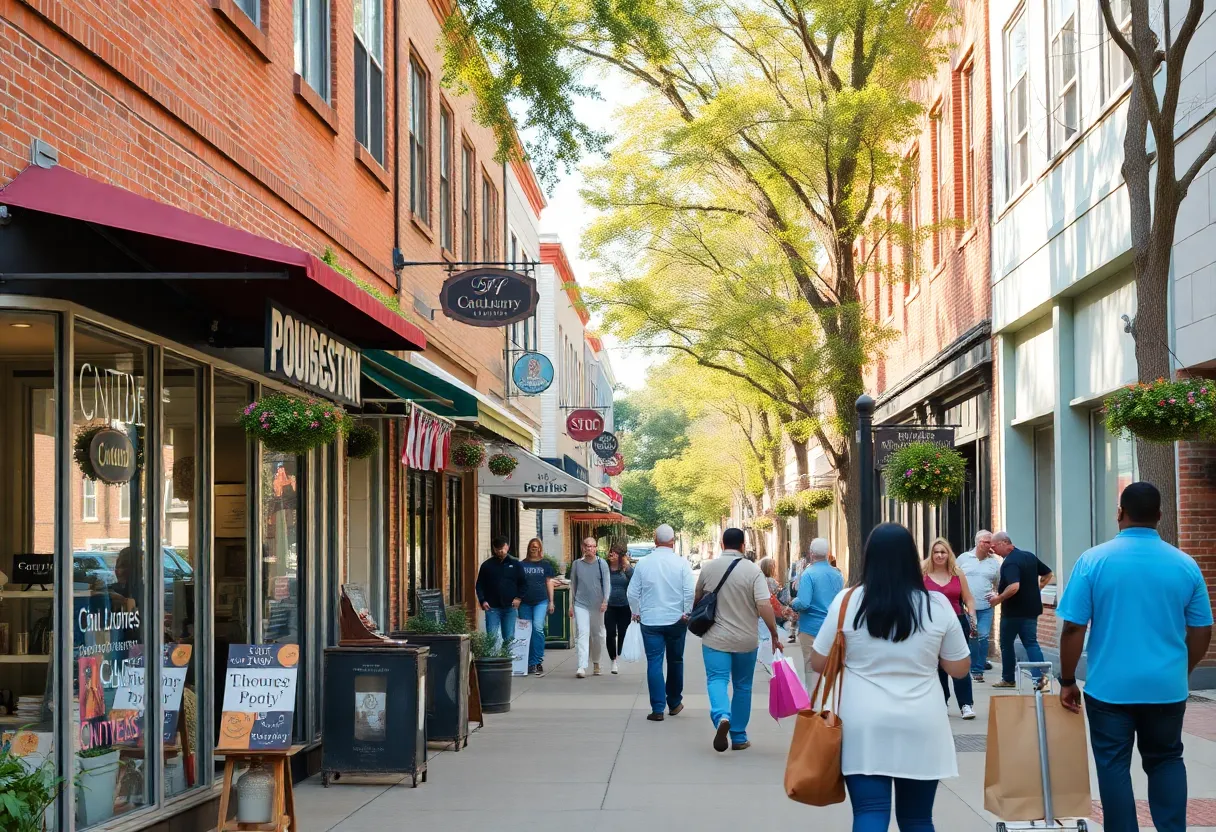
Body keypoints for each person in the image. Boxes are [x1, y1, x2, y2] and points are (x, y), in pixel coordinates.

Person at [1057, 482, 1213, 832]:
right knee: (1167, 759)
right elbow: (1203, 629)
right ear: (1159, 516)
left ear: (1119, 514)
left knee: (1112, 765)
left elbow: (1072, 629)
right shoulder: (1185, 565)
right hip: (1166, 687)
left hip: (1109, 689)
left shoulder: (1093, 560)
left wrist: (1067, 681)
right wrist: (1181, 669)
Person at [810, 523, 971, 831]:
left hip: (863, 722)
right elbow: (959, 668)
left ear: (868, 558)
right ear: (912, 559)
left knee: (869, 812)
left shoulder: (847, 602)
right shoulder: (936, 606)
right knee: (918, 818)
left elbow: (818, 662)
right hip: (922, 720)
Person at [695, 527, 784, 751]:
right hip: (746, 640)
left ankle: (722, 717)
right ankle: (739, 735)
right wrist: (774, 633)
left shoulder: (709, 568)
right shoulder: (752, 571)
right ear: (743, 545)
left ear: (722, 544)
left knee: (717, 679)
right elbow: (764, 605)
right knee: (743, 686)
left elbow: (697, 599)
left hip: (715, 639)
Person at [627, 524, 696, 721]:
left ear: (655, 540)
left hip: (651, 620)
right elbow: (689, 592)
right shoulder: (682, 563)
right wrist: (686, 612)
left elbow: (632, 593)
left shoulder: (643, 563)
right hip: (676, 619)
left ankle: (657, 708)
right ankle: (674, 702)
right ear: (673, 541)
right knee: (675, 660)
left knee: (654, 662)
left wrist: (636, 611)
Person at [989, 531, 1053, 688]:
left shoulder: (1010, 562)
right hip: (1031, 610)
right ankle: (1040, 679)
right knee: (1031, 643)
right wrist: (1038, 588)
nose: (993, 550)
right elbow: (1048, 573)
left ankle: (1008, 679)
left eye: (994, 546)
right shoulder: (1029, 556)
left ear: (1004, 543)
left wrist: (998, 599)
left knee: (1006, 644)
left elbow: (1014, 586)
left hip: (1013, 612)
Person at [923, 538, 977, 720]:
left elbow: (968, 598)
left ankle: (966, 704)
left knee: (959, 663)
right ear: (931, 554)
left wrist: (972, 615)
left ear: (949, 554)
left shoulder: (957, 573)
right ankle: (942, 702)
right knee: (937, 665)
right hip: (930, 624)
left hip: (956, 622)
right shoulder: (922, 574)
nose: (939, 555)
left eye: (943, 552)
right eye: (936, 552)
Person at [790, 538, 843, 694]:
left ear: (811, 554)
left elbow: (804, 602)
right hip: (832, 627)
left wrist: (793, 603)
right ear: (827, 554)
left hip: (811, 627)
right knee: (831, 667)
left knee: (811, 668)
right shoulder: (837, 574)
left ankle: (813, 704)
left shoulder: (808, 574)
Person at [956, 530, 1000, 681]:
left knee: (983, 636)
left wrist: (996, 595)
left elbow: (998, 583)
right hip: (969, 607)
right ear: (977, 542)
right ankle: (975, 668)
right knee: (973, 636)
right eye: (986, 542)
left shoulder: (994, 562)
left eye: (991, 542)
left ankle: (978, 668)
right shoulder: (963, 559)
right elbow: (954, 579)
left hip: (987, 607)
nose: (989, 545)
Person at [569, 537, 611, 678]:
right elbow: (573, 585)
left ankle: (597, 662)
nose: (590, 549)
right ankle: (582, 665)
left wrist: (605, 600)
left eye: (593, 546)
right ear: (582, 547)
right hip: (581, 603)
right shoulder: (576, 564)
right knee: (582, 632)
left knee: (597, 635)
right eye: (587, 546)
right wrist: (571, 604)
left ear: (596, 548)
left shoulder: (602, 563)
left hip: (598, 605)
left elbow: (607, 584)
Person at [475, 535, 526, 649]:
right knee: (491, 639)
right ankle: (493, 665)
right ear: (493, 549)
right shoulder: (487, 565)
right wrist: (482, 600)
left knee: (509, 639)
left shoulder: (516, 564)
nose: (500, 551)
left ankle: (507, 665)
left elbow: (523, 584)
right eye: (497, 549)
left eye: (502, 548)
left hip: (510, 607)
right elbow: (479, 585)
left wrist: (518, 598)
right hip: (492, 607)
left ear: (507, 547)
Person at [518, 538, 556, 676]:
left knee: (538, 628)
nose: (534, 548)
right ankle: (528, 662)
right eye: (532, 546)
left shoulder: (545, 565)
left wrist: (551, 601)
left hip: (541, 601)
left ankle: (537, 661)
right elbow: (517, 584)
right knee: (526, 631)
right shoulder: (521, 565)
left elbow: (549, 582)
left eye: (536, 546)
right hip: (524, 603)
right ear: (528, 548)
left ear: (540, 548)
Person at [605, 540, 634, 674]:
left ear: (620, 555)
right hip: (609, 606)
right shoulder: (605, 568)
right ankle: (613, 660)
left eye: (615, 553)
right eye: (611, 552)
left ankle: (620, 652)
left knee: (623, 632)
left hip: (624, 606)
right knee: (610, 633)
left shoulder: (626, 569)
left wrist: (627, 566)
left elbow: (635, 582)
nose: (612, 554)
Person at [758, 556, 790, 627]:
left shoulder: (760, 579)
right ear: (769, 568)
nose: (774, 568)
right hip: (773, 610)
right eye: (773, 566)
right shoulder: (770, 581)